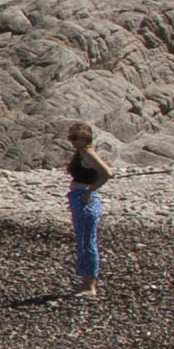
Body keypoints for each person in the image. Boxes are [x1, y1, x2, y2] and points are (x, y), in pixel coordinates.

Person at [65, 121, 111, 297]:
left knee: (87, 242)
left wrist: (89, 191)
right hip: (78, 197)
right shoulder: (81, 154)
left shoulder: (89, 154)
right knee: (83, 241)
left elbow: (107, 173)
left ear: (85, 138)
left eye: (75, 137)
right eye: (70, 137)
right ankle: (85, 283)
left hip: (85, 199)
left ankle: (89, 286)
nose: (72, 141)